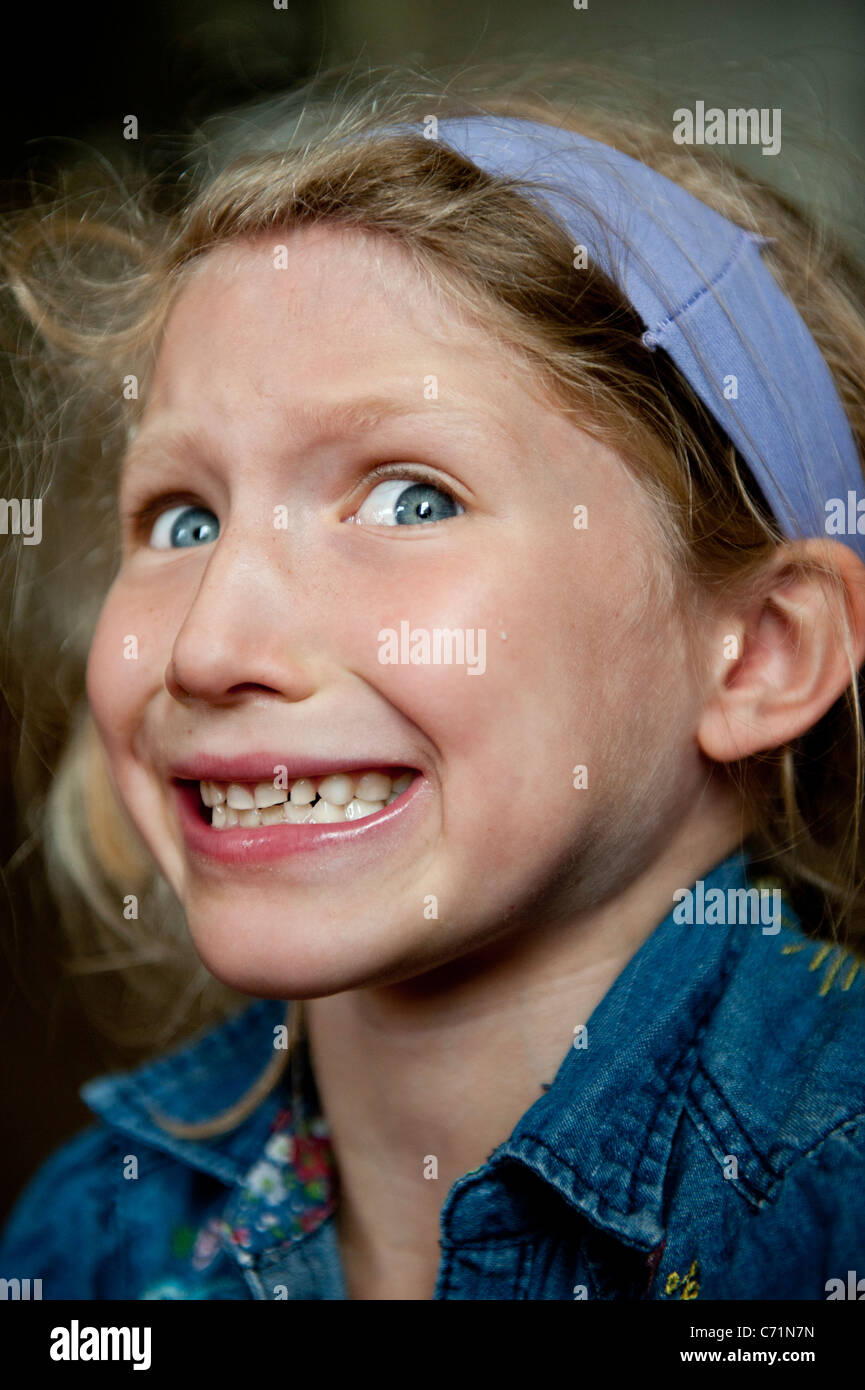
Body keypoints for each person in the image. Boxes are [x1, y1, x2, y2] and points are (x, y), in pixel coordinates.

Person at [2, 61, 865, 1301]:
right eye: (182, 519)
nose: (208, 646)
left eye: (412, 497)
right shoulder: (89, 1237)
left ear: (761, 647)